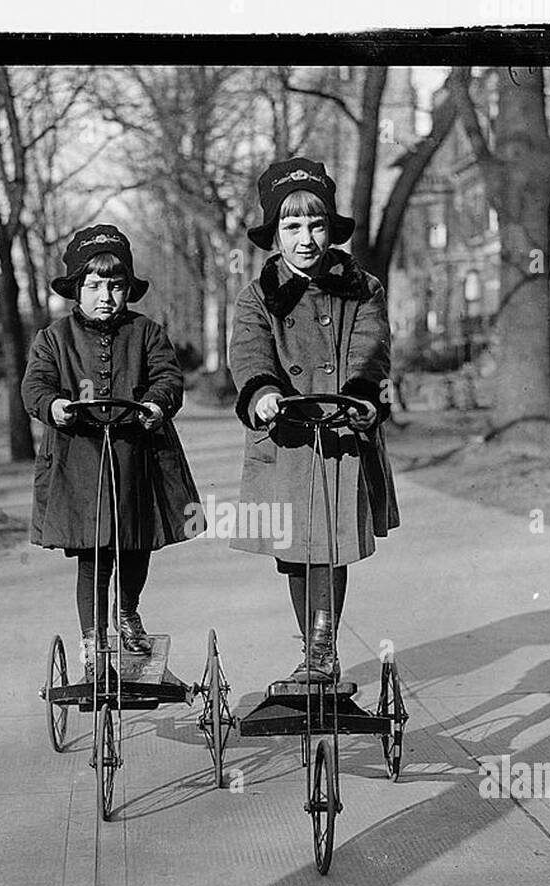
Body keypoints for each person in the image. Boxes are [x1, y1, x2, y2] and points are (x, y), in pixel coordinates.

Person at [229, 157, 400, 683]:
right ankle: (313, 645)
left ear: (331, 229)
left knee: (331, 544)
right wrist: (261, 391)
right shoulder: (259, 296)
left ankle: (322, 650)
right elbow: (250, 351)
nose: (306, 239)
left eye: (316, 225)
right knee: (295, 552)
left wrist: (363, 395)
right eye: (292, 226)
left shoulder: (361, 288)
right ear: (275, 233)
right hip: (287, 438)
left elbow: (371, 347)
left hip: (342, 434)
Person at [21, 224, 202, 682]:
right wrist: (54, 405)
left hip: (137, 457)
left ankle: (127, 611)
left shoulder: (147, 332)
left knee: (137, 544)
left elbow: (168, 379)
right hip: (79, 460)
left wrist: (156, 404)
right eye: (95, 286)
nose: (106, 296)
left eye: (116, 286)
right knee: (92, 553)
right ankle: (92, 639)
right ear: (76, 290)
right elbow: (35, 384)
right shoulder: (54, 338)